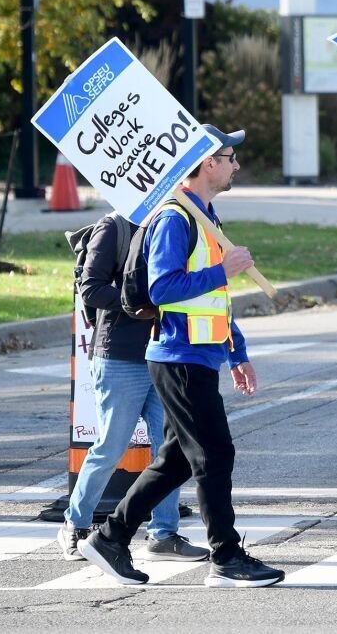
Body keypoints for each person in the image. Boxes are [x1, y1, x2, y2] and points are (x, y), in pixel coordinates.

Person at [79, 126, 285, 588]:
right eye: (230, 157)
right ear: (208, 163)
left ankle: (110, 539)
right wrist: (221, 270)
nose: (236, 165)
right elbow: (162, 288)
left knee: (176, 459)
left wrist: (238, 352)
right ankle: (227, 558)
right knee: (215, 453)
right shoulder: (176, 217)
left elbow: (216, 302)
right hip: (178, 357)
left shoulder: (204, 215)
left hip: (198, 356)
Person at [61, 211, 207, 565]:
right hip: (119, 356)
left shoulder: (175, 222)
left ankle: (163, 533)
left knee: (170, 450)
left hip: (162, 354)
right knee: (110, 446)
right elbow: (91, 287)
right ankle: (76, 526)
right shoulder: (115, 227)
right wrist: (136, 304)